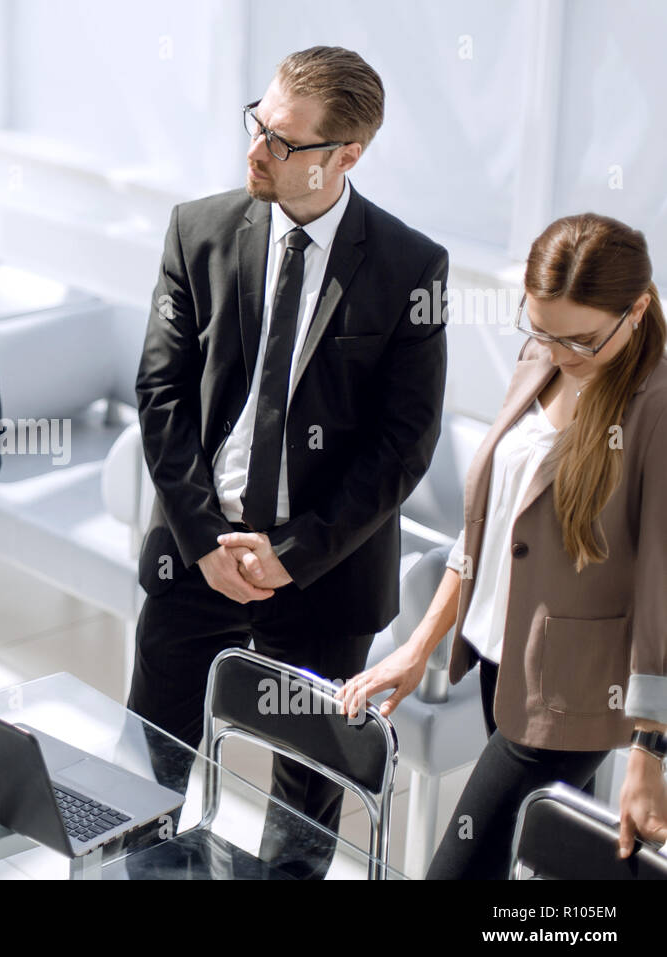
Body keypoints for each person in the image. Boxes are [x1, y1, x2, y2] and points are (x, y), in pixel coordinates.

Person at [127, 46, 448, 878]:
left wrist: (293, 554)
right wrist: (204, 541)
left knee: (303, 825)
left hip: (324, 583)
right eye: (258, 125)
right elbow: (161, 397)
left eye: (283, 141)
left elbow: (403, 444)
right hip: (194, 564)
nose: (255, 151)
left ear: (347, 155)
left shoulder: (414, 268)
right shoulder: (196, 230)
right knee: (146, 788)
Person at [336, 213, 667, 878]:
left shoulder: (656, 408)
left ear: (637, 310)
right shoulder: (538, 358)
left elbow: (661, 592)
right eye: (540, 327)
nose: (559, 351)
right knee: (540, 862)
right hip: (499, 664)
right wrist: (419, 644)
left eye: (580, 338)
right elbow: (487, 526)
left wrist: (649, 754)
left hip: (576, 695)